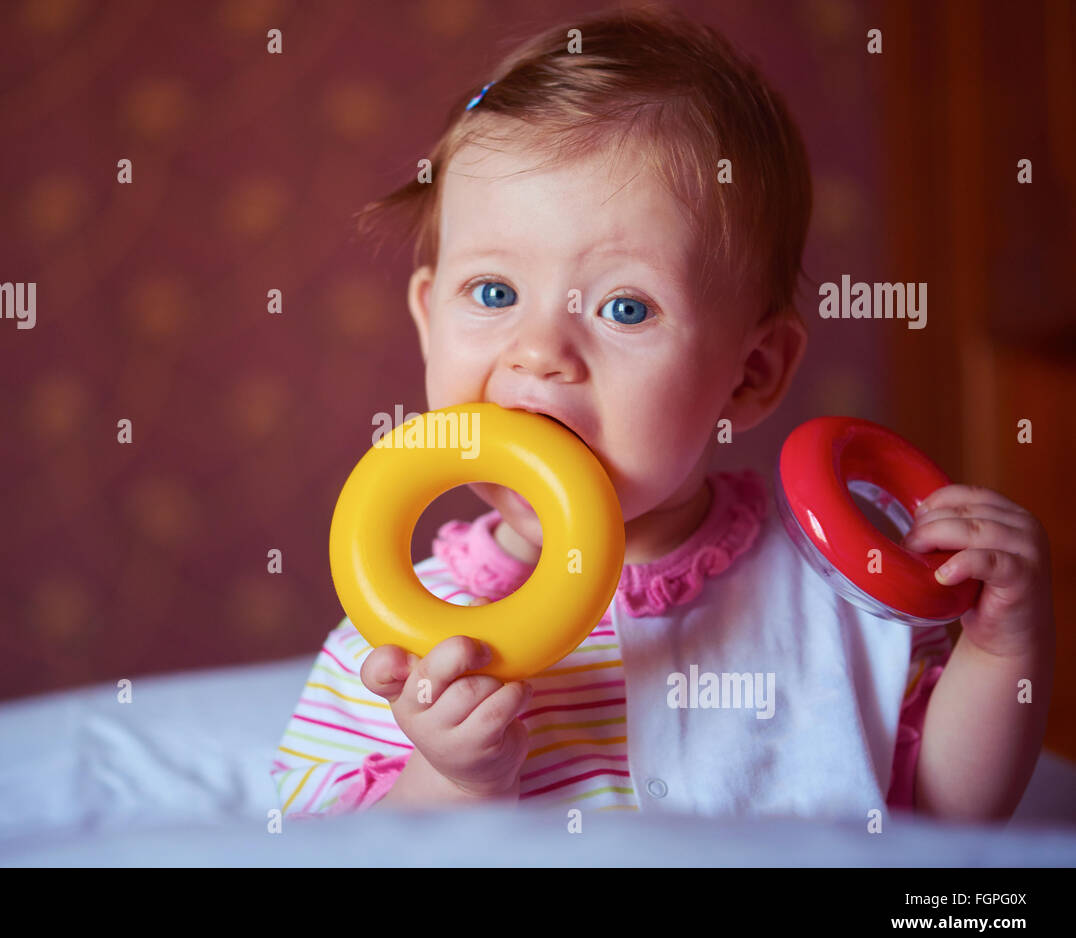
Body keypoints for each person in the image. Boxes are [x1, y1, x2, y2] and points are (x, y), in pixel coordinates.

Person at [271, 4, 1054, 823]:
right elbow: (324, 844)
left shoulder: (837, 593)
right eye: (495, 293)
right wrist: (451, 779)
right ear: (431, 319)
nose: (540, 351)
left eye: (626, 308)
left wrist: (1001, 651)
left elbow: (943, 814)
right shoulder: (399, 636)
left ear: (749, 374)